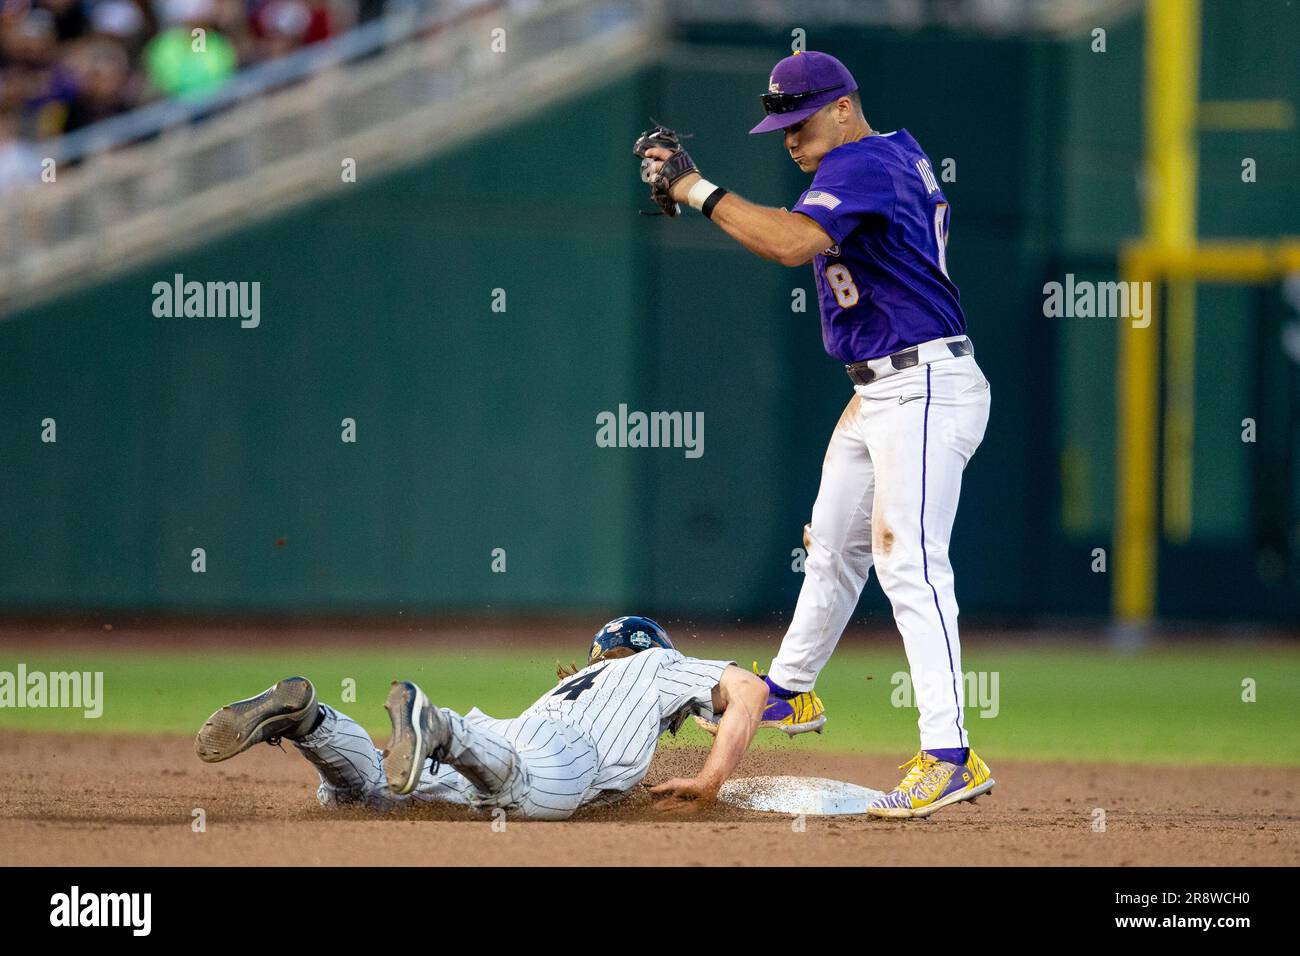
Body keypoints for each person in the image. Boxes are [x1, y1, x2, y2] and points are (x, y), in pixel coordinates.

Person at [635, 50, 994, 818]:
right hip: (881, 386)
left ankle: (951, 753)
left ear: (841, 106)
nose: (791, 141)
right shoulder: (882, 156)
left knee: (910, 562)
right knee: (831, 545)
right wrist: (705, 193)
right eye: (780, 127)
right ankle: (791, 692)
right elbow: (798, 233)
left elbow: (792, 244)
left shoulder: (864, 162)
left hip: (921, 383)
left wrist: (695, 188)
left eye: (800, 122)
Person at [195, 616, 769, 818]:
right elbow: (748, 690)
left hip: (509, 733)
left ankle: (310, 722)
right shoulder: (659, 665)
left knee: (370, 790)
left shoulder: (577, 681)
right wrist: (711, 777)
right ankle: (437, 728)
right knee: (518, 794)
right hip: (564, 752)